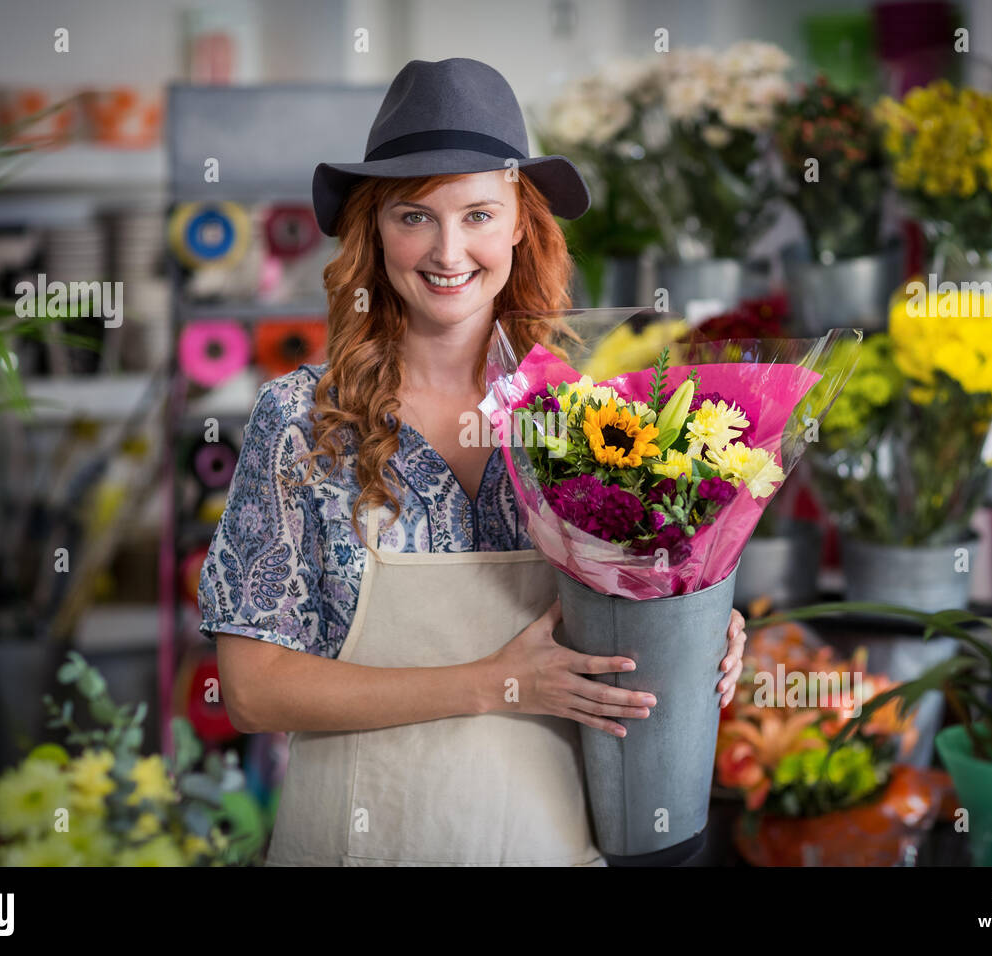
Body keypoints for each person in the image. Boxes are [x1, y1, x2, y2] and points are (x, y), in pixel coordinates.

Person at [198, 57, 747, 867]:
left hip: (546, 841)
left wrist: (692, 625)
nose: (448, 250)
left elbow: (629, 623)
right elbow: (251, 690)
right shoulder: (303, 421)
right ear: (374, 229)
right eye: (414, 216)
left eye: (479, 215)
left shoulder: (587, 418)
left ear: (521, 223)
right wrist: (493, 682)